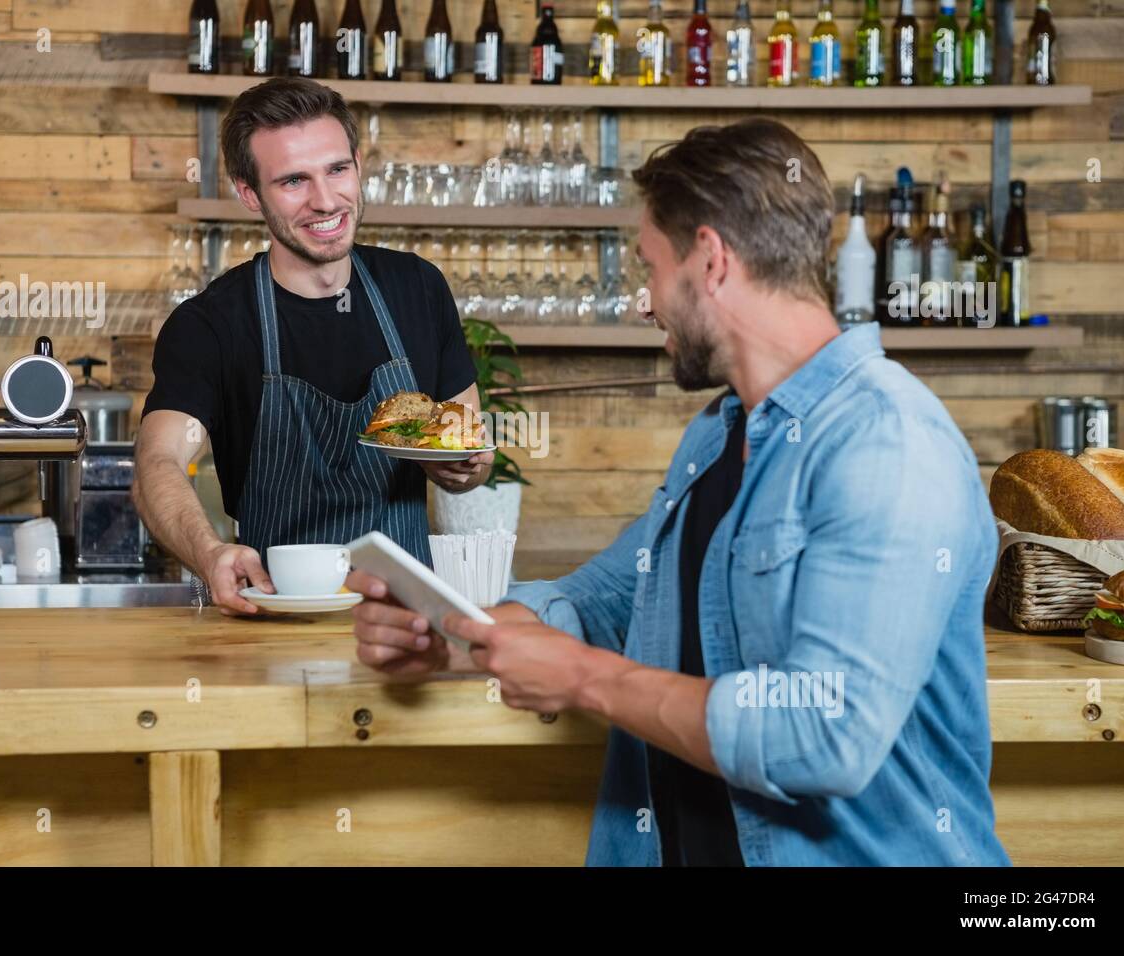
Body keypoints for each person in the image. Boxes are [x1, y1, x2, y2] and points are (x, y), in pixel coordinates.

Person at [348, 119, 1010, 867]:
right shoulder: (721, 434)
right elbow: (608, 599)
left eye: (650, 268)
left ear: (712, 261)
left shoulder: (886, 443)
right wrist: (451, 636)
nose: (643, 302)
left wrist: (587, 680)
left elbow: (824, 734)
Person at [134, 78, 492, 614]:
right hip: (271, 613)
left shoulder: (417, 289)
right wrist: (209, 553)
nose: (325, 200)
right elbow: (155, 464)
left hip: (404, 622)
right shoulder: (212, 324)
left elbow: (467, 451)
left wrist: (462, 467)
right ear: (249, 192)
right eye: (294, 181)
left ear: (358, 165)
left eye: (337, 170)